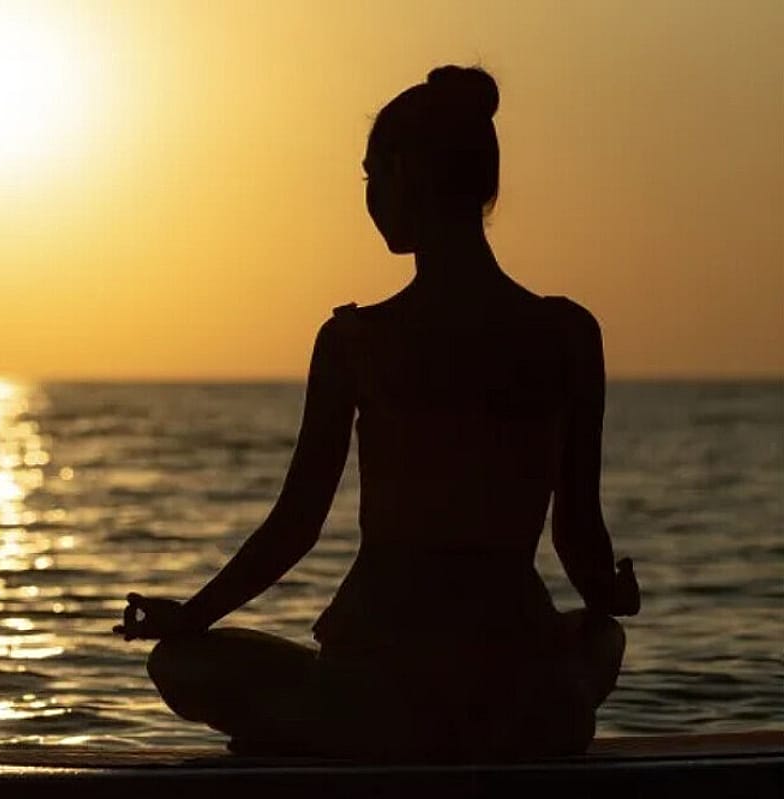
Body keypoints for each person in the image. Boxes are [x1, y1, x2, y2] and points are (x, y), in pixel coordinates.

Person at [114, 65, 640, 763]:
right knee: (600, 638)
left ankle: (322, 738)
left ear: (404, 174)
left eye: (371, 177)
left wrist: (192, 616)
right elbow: (580, 537)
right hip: (517, 690)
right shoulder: (569, 335)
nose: (369, 199)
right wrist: (612, 592)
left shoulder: (356, 343)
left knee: (179, 663)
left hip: (379, 692)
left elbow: (296, 525)